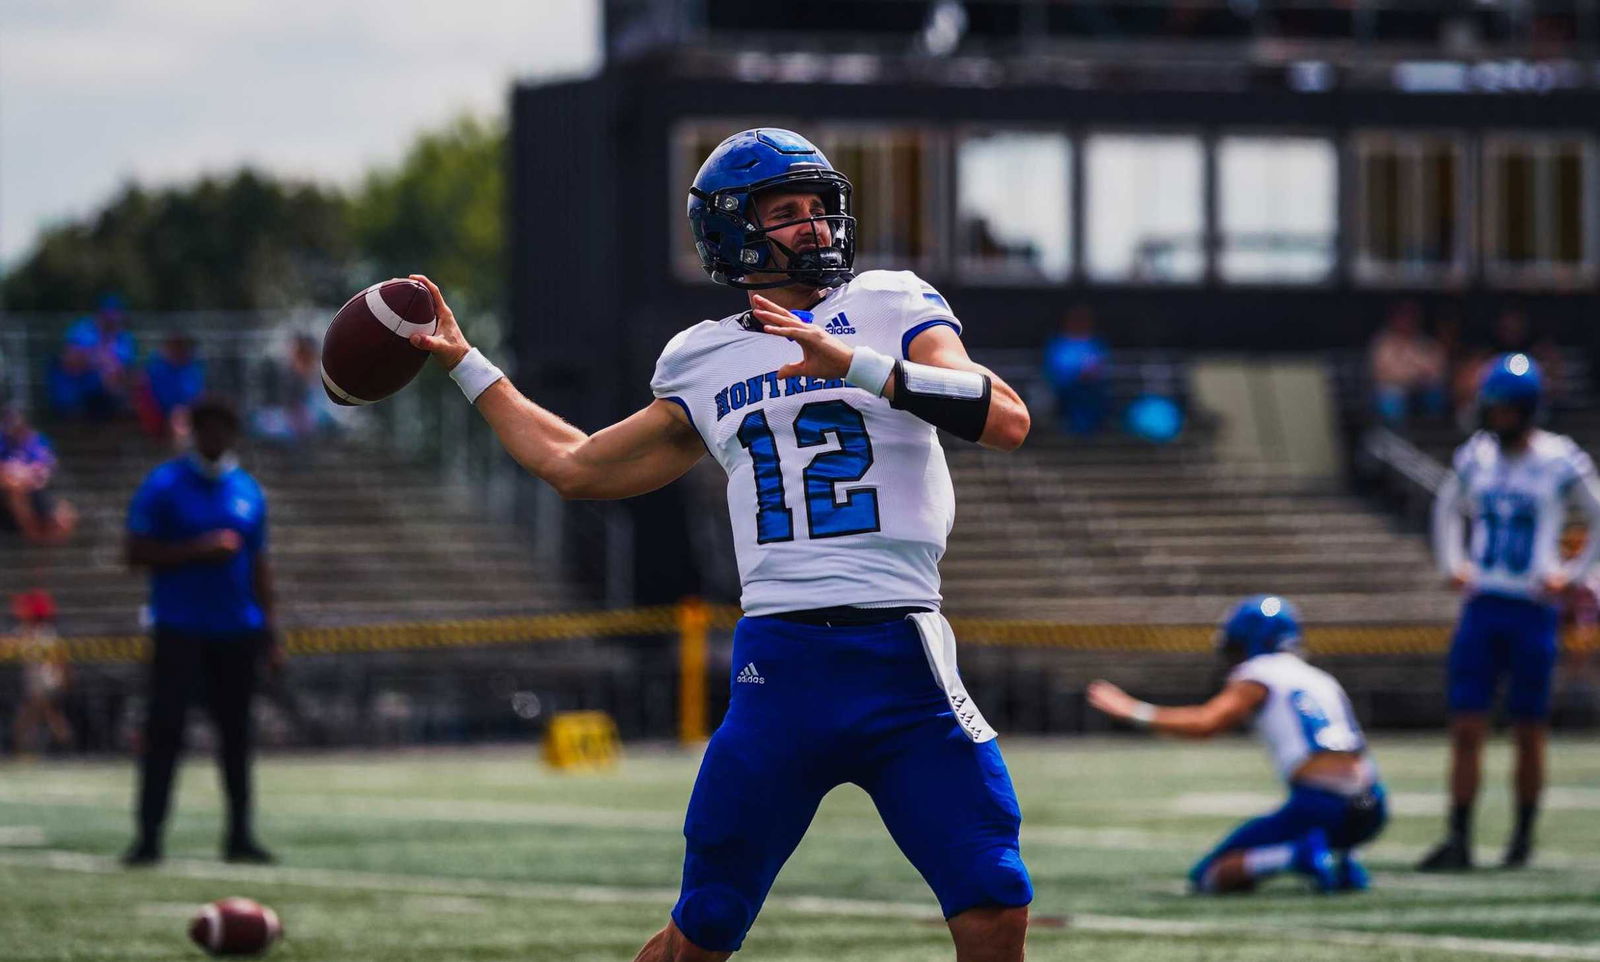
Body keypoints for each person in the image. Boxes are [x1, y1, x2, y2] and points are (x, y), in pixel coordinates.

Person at [405, 127, 1034, 962]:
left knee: (993, 899)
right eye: (787, 211)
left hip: (906, 659)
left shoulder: (889, 302)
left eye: (820, 208)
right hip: (782, 670)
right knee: (705, 923)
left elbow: (1004, 416)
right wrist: (467, 364)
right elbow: (576, 465)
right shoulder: (703, 358)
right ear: (735, 229)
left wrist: (854, 363)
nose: (814, 226)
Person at [1420, 354, 1600, 870]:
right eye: (1491, 408)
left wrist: (1573, 571)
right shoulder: (1476, 455)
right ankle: (1459, 836)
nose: (1496, 417)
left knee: (1528, 729)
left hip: (1532, 609)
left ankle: (1521, 838)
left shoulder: (1561, 458)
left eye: (1504, 408)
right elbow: (1445, 506)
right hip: (1484, 605)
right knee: (1467, 726)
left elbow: (1597, 514)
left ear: (1527, 409)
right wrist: (1452, 562)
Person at [1088, 595, 1387, 894]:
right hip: (1373, 804)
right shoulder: (1321, 679)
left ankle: (1298, 855)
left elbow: (1206, 724)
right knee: (1320, 830)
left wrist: (1133, 711)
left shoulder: (1258, 675)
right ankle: (1342, 858)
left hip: (1320, 805)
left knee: (1212, 876)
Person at [122, 395, 280, 866]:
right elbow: (134, 552)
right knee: (164, 732)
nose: (213, 438)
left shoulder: (248, 491)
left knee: (236, 736)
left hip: (236, 630)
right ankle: (148, 837)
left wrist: (271, 630)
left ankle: (239, 835)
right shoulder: (164, 486)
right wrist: (196, 550)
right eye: (205, 429)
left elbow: (261, 566)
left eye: (222, 429)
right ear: (193, 432)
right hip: (179, 629)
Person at [10, 590, 73, 756]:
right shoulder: (24, 630)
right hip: (35, 683)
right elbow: (12, 643)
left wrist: (64, 678)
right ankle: (66, 746)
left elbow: (60, 658)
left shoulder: (46, 633)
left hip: (47, 682)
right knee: (47, 716)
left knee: (30, 718)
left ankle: (64, 747)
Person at [0, 408, 76, 545]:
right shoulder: (3, 440)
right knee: (15, 488)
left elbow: (45, 470)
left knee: (65, 517)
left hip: (36, 491)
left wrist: (26, 476)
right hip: (7, 494)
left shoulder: (37, 441)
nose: (15, 430)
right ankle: (32, 537)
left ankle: (45, 550)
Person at [1368, 300, 1447, 426]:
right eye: (1403, 316)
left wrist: (1416, 375)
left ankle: (1432, 434)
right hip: (1394, 389)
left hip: (1421, 389)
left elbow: (1436, 370)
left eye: (1411, 316)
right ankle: (1396, 438)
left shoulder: (1424, 342)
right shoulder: (1384, 343)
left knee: (1436, 395)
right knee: (1391, 400)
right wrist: (1411, 375)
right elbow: (1381, 374)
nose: (1407, 320)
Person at [1042, 306, 1109, 436]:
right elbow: (1053, 368)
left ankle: (1091, 431)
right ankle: (1073, 430)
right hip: (1064, 387)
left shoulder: (1095, 343)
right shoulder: (1059, 343)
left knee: (1093, 396)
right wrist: (1075, 375)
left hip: (1091, 388)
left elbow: (1102, 367)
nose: (1079, 323)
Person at [137, 333, 205, 442]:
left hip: (188, 411)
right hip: (161, 413)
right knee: (179, 419)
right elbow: (153, 397)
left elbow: (197, 394)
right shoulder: (156, 370)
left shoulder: (193, 369)